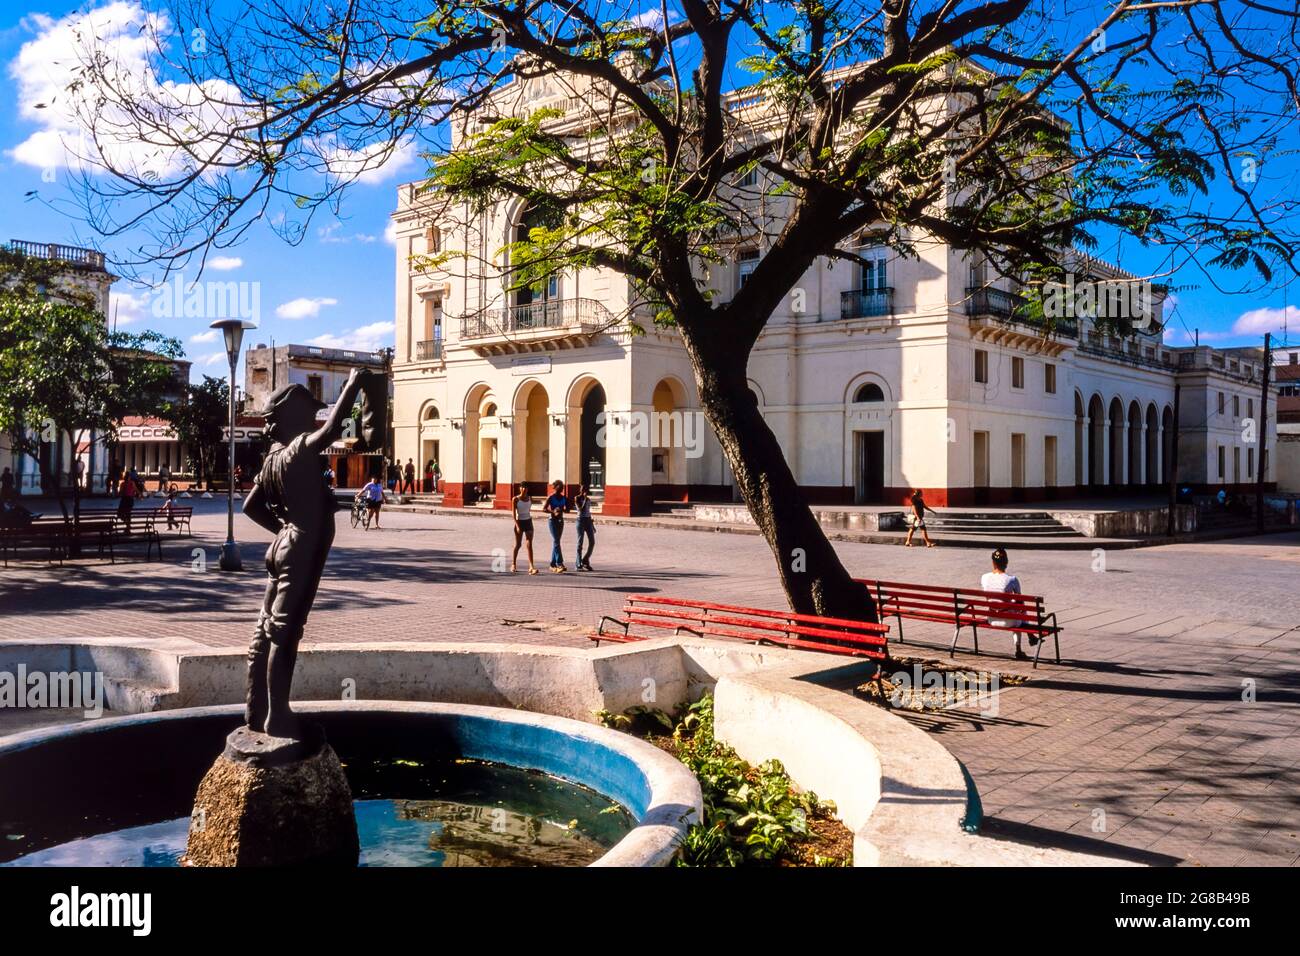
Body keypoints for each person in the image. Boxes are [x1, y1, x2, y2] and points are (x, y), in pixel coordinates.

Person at [241, 368, 374, 737]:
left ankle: (256, 712)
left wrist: (285, 530)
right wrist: (351, 386)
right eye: (308, 414)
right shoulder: (297, 450)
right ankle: (278, 717)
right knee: (285, 633)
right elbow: (332, 430)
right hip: (298, 549)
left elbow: (251, 507)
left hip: (283, 544)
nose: (313, 419)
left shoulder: (272, 457)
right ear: (294, 418)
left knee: (263, 634)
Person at [980, 548, 1030, 661]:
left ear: (993, 562)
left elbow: (988, 598)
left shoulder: (984, 577)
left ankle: (1028, 636)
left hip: (991, 619)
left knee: (1014, 608)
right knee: (1020, 609)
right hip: (1010, 622)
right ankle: (1019, 648)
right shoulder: (1012, 580)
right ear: (1006, 563)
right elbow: (1020, 603)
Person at [510, 483, 538, 574]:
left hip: (528, 521)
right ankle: (513, 563)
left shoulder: (530, 498)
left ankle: (531, 566)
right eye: (523, 487)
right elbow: (514, 514)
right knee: (518, 544)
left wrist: (529, 519)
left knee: (529, 544)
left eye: (526, 487)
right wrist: (517, 525)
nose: (524, 489)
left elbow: (528, 510)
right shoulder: (515, 499)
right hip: (519, 521)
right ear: (520, 488)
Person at [544, 479, 569, 572]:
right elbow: (544, 509)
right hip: (552, 521)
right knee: (556, 541)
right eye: (559, 486)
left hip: (560, 521)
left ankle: (552, 563)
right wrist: (553, 511)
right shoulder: (551, 498)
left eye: (562, 486)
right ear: (555, 487)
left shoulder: (564, 498)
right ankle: (560, 563)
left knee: (556, 542)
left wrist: (562, 510)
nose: (561, 488)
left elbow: (568, 509)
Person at [573, 484, 595, 571]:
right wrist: (585, 499)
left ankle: (585, 559)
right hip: (580, 520)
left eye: (585, 490)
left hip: (588, 521)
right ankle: (578, 563)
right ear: (580, 490)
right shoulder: (577, 498)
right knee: (580, 542)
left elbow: (588, 512)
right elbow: (580, 509)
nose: (584, 491)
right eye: (582, 489)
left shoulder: (589, 499)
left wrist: (592, 525)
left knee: (592, 542)